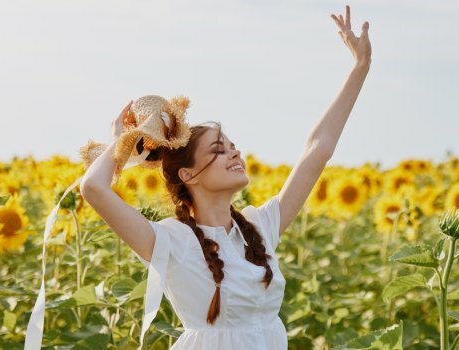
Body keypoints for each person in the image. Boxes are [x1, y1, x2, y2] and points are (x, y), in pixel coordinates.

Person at [80, 4, 371, 349]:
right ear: (188, 175)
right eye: (219, 150)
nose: (235, 153)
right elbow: (94, 187)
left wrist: (360, 67)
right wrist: (123, 141)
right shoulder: (170, 242)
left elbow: (316, 151)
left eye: (233, 146)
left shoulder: (259, 228)